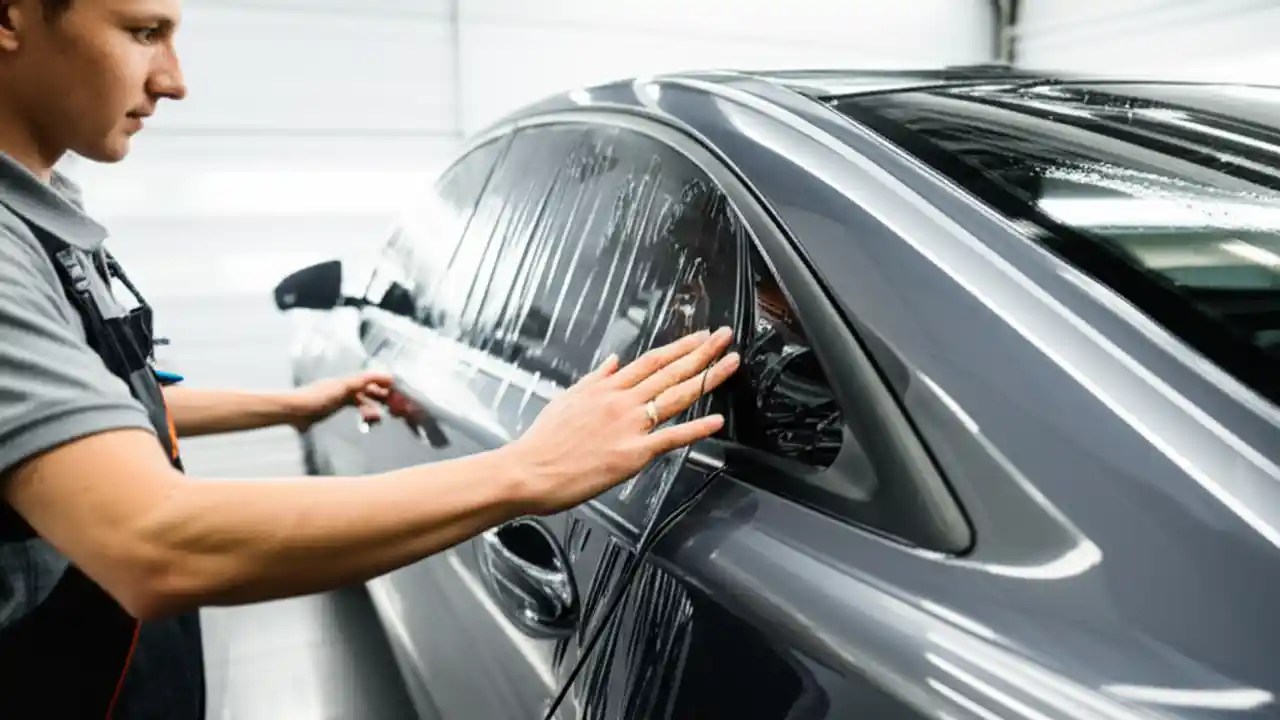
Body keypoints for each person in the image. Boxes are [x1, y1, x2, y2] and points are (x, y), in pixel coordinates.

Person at [0, 0, 740, 717]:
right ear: (11, 18)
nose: (173, 79)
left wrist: (301, 403)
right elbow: (150, 541)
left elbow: (97, 416)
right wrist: (527, 470)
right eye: (143, 31)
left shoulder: (47, 222)